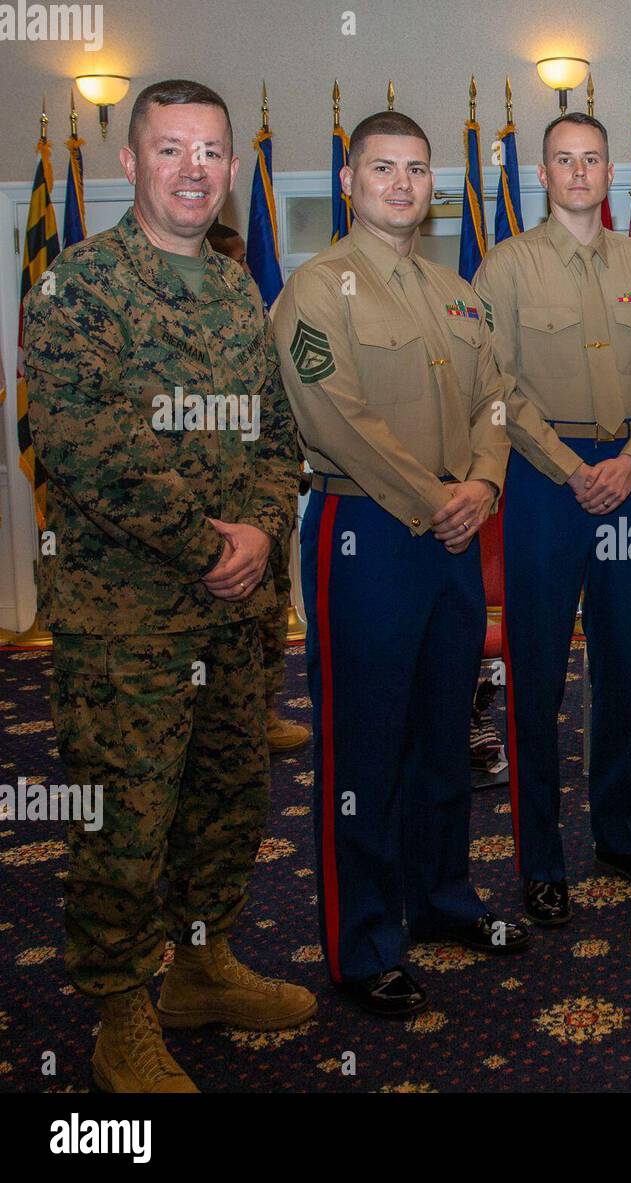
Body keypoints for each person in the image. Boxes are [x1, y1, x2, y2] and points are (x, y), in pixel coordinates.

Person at [22, 79, 315, 1093]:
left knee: (225, 804)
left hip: (237, 614)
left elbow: (281, 436)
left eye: (211, 153)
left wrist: (264, 527)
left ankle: (200, 967)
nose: (194, 169)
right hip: (129, 624)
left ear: (231, 169)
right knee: (125, 819)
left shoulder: (237, 288)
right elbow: (78, 446)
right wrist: (204, 543)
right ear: (130, 162)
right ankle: (119, 1017)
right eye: (171, 149)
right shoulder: (80, 287)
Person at [273, 111, 525, 1017]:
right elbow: (336, 419)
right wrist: (439, 501)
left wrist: (486, 486)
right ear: (349, 181)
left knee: (444, 740)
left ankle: (444, 900)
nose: (402, 184)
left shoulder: (457, 292)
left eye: (417, 170)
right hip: (368, 535)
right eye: (383, 168)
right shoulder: (317, 288)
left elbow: (498, 400)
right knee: (364, 751)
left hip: (457, 536)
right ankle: (363, 942)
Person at [473, 113, 631, 925]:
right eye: (563, 159)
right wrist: (574, 470)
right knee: (536, 677)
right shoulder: (506, 269)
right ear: (543, 173)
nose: (578, 171)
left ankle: (624, 835)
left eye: (591, 158)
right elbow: (496, 385)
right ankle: (540, 858)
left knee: (623, 666)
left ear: (611, 171)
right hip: (544, 483)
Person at [207, 221, 310, 754]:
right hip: (200, 532)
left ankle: (262, 714)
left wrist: (266, 524)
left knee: (265, 619)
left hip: (259, 515)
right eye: (236, 260)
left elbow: (277, 423)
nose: (246, 271)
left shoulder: (249, 316)